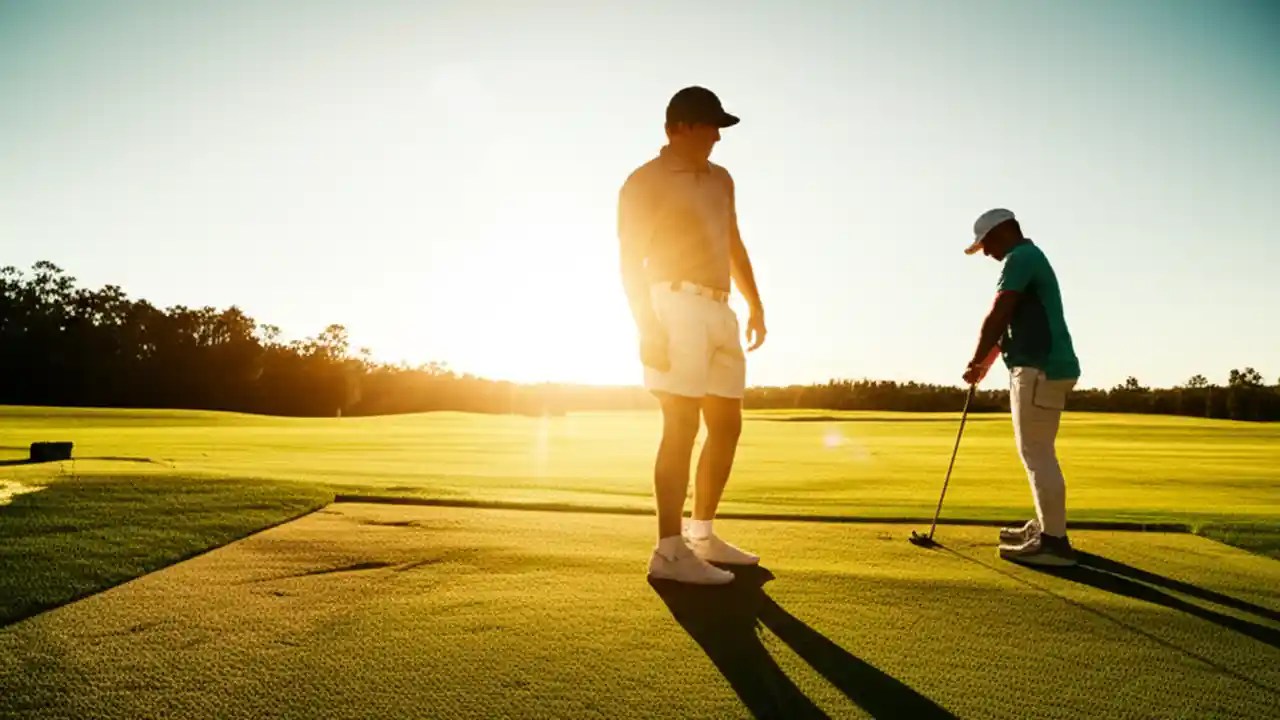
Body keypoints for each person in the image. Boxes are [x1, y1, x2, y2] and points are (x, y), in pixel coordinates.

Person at [616, 86, 767, 585]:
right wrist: (646, 325)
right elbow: (628, 259)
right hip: (671, 304)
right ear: (678, 127)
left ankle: (701, 533)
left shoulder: (722, 179)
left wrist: (755, 303)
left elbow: (733, 241)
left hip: (720, 308)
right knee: (680, 425)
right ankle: (668, 549)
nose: (717, 137)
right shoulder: (644, 181)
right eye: (709, 126)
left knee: (727, 424)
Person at [962, 208, 1081, 567]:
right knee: (1036, 451)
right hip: (1041, 366)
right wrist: (985, 362)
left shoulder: (1020, 258)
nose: (985, 252)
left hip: (1038, 368)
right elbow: (1010, 322)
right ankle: (1047, 527)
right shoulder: (1028, 258)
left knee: (1037, 453)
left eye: (986, 244)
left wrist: (976, 359)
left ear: (1002, 233)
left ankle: (1054, 544)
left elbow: (999, 312)